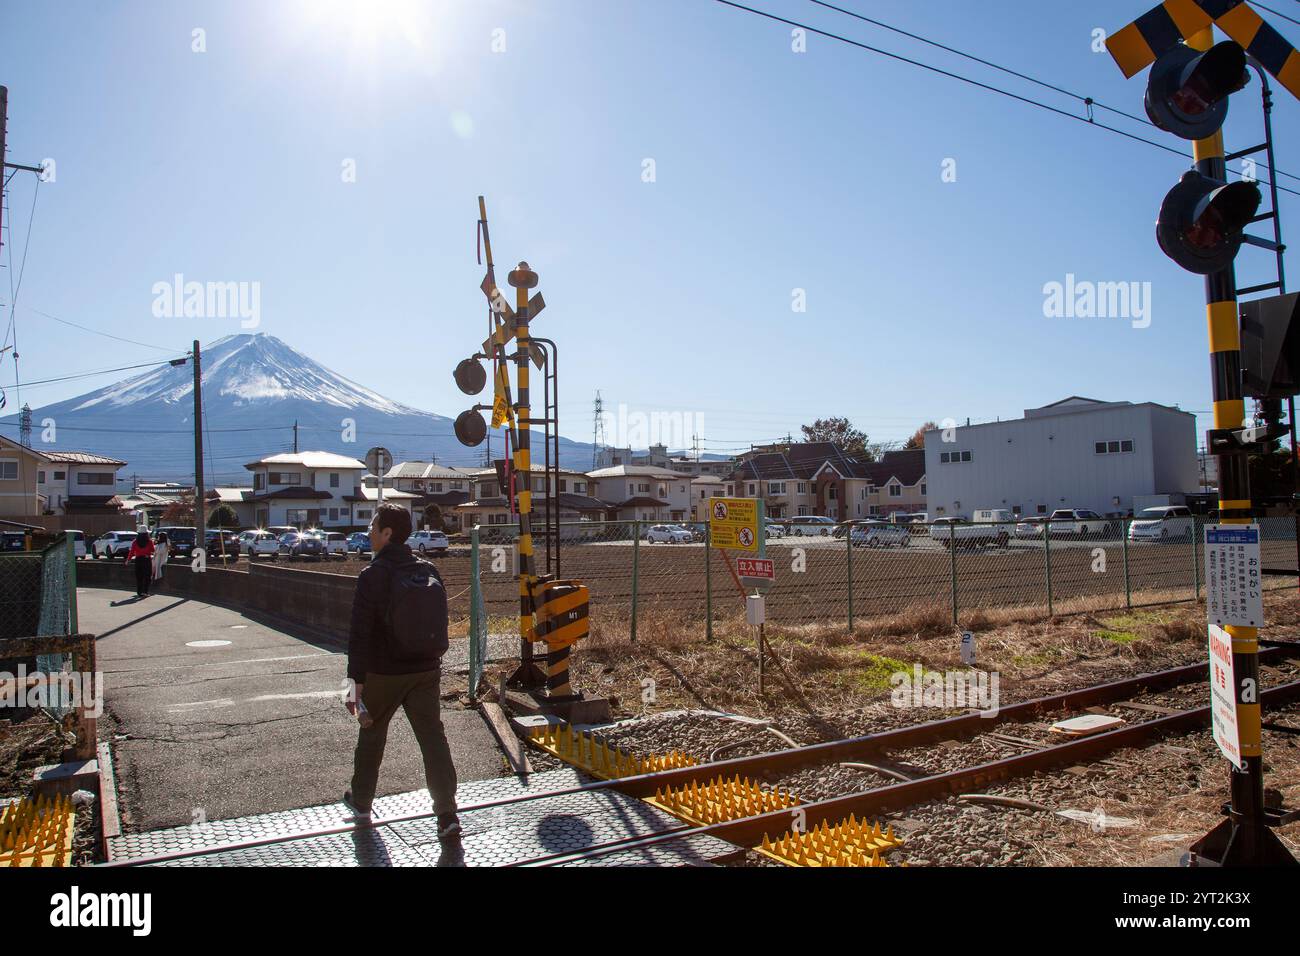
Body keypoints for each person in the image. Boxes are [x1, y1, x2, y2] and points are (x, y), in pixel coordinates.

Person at [343, 503, 459, 839]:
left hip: (384, 672)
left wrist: (355, 684)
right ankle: (447, 814)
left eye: (373, 525)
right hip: (426, 669)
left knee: (372, 735)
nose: (368, 530)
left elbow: (359, 634)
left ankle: (362, 803)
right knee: (432, 739)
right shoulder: (428, 569)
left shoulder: (372, 575)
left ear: (387, 533)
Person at [125, 529, 155, 598]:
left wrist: (128, 560)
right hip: (146, 559)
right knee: (147, 576)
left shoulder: (135, 542)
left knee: (139, 577)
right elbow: (153, 550)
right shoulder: (149, 541)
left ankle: (139, 592)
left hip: (138, 560)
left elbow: (131, 552)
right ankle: (145, 591)